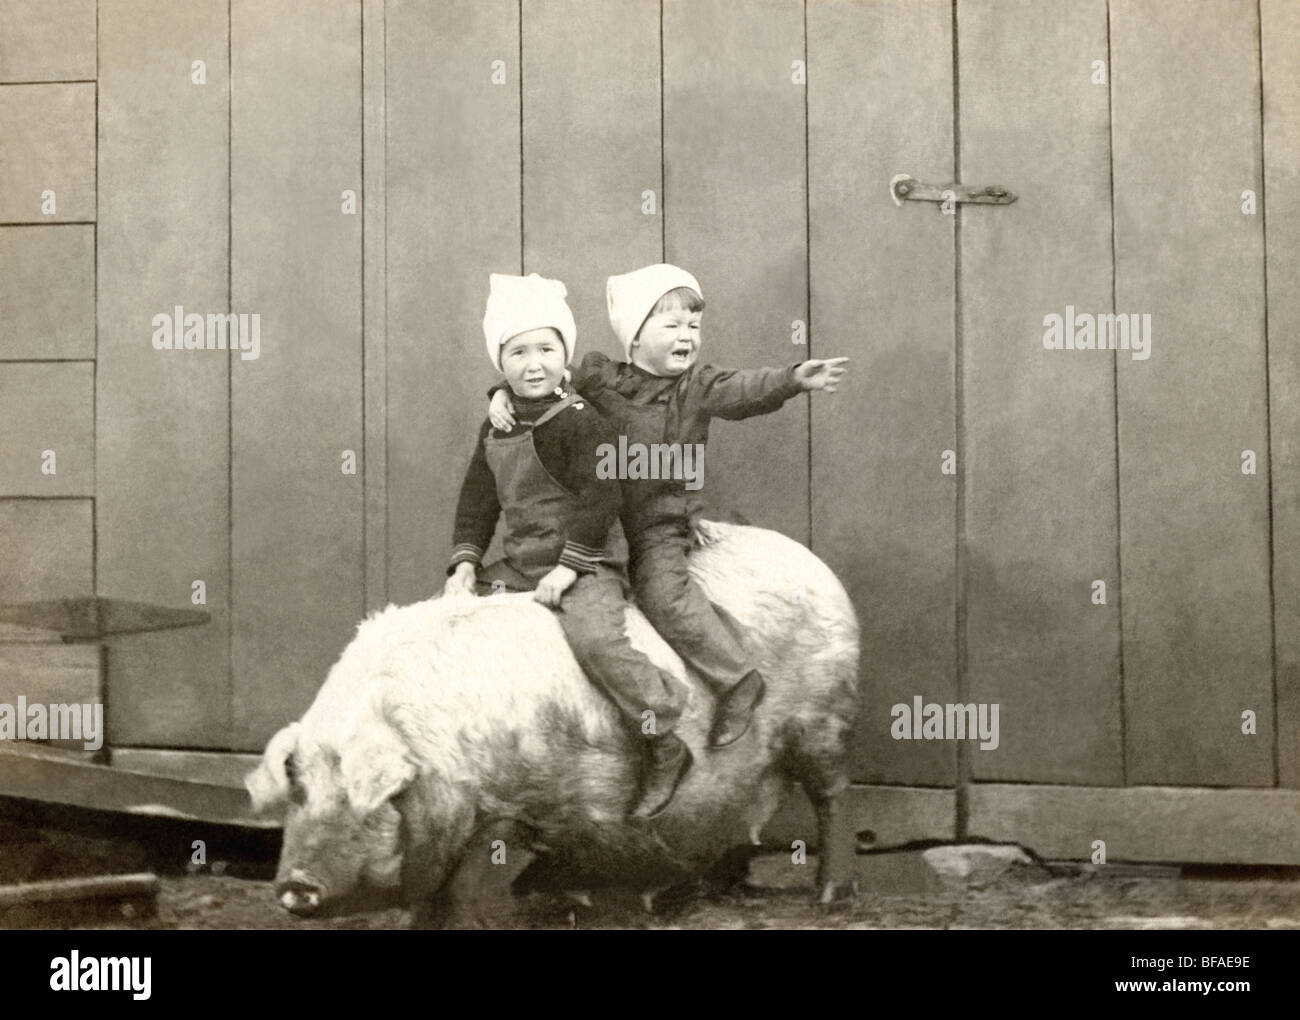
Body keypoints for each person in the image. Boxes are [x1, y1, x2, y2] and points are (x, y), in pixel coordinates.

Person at [489, 263, 848, 748]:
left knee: (664, 595)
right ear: (635, 337)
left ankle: (738, 680)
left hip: (657, 521)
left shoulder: (698, 386)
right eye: (672, 325)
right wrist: (498, 394)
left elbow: (745, 389)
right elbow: (541, 373)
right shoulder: (599, 377)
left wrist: (791, 379)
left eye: (694, 326)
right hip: (604, 523)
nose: (688, 336)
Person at [446, 272, 692, 819]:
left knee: (596, 642)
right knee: (453, 625)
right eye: (517, 352)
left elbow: (603, 496)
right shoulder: (497, 422)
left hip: (586, 563)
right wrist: (465, 562)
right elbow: (477, 496)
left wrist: (569, 568)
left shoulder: (581, 421)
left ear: (565, 354)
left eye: (546, 348)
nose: (533, 364)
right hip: (520, 563)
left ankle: (664, 736)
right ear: (499, 361)